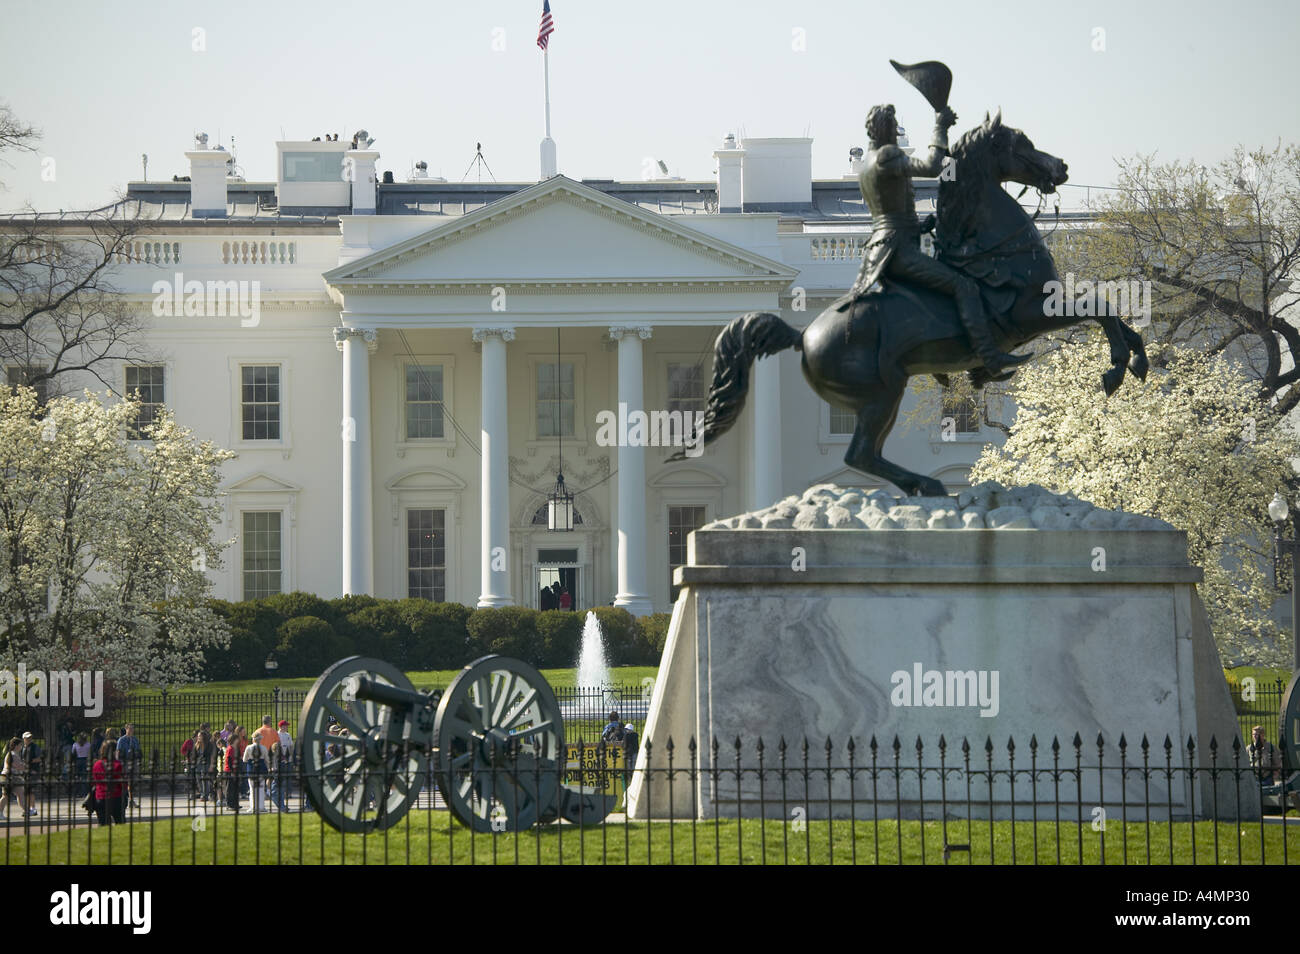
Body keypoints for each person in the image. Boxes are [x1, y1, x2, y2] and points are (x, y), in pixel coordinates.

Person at [845, 101, 1029, 377]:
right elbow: (932, 166)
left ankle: (947, 357)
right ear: (885, 129)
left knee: (937, 290)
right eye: (894, 127)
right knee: (963, 286)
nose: (896, 131)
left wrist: (921, 226)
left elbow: (888, 213)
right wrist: (940, 126)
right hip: (898, 253)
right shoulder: (886, 156)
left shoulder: (869, 162)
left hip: (886, 247)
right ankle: (988, 358)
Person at [91, 740, 125, 826]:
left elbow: (94, 781)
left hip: (100, 797)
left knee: (103, 824)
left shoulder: (97, 764)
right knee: (120, 823)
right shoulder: (118, 764)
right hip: (115, 797)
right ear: (113, 751)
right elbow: (122, 783)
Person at [116, 723, 142, 809]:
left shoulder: (135, 739)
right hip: (125, 762)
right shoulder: (121, 740)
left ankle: (131, 799)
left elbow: (138, 750)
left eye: (132, 729)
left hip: (133, 761)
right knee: (125, 782)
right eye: (130, 729)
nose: (131, 730)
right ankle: (125, 799)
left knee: (132, 782)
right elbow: (118, 752)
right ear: (126, 729)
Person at [243, 730, 270, 813]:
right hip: (261, 768)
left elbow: (244, 759)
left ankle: (253, 807)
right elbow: (267, 760)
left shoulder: (248, 747)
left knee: (252, 788)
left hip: (251, 768)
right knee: (261, 788)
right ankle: (261, 807)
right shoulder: (264, 748)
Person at [0, 737, 26, 820]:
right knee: (5, 796)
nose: (21, 746)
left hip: (15, 777)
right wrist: (25, 766)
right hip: (8, 777)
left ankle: (26, 811)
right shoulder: (12, 754)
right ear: (16, 745)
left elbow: (20, 766)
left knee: (20, 794)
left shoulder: (15, 754)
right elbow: (18, 766)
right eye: (20, 745)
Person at [21, 732, 41, 816]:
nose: (29, 739)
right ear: (24, 739)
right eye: (27, 738)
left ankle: (32, 808)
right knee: (26, 791)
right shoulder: (22, 747)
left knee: (30, 790)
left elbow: (39, 758)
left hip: (33, 771)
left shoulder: (35, 747)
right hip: (25, 771)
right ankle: (28, 808)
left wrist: (29, 761)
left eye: (30, 738)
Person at [621, 722, 639, 793]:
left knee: (629, 770)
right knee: (634, 769)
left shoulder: (626, 736)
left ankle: (630, 784)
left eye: (627, 729)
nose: (626, 731)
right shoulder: (636, 735)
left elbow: (624, 745)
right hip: (635, 753)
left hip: (628, 754)